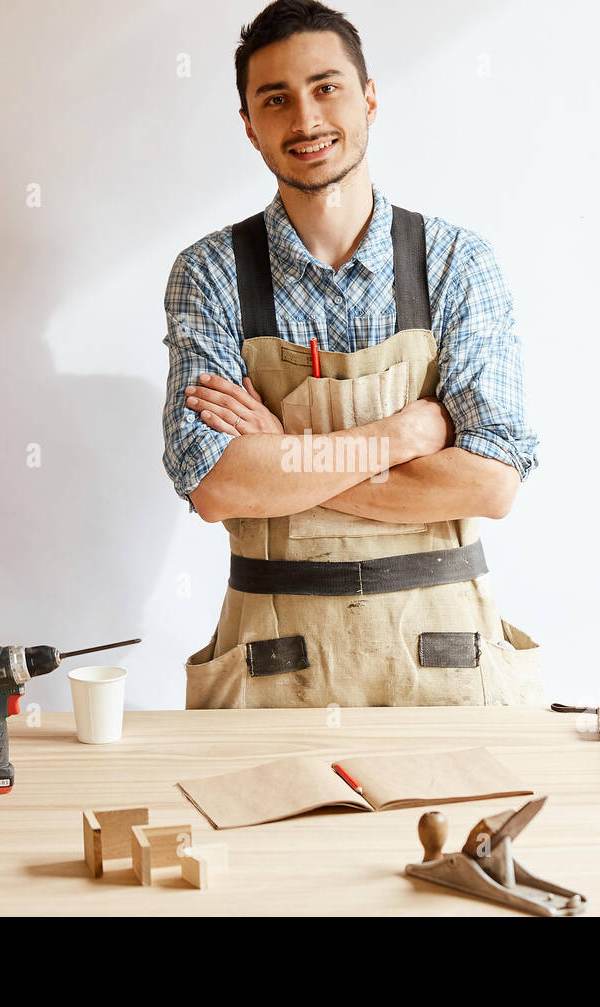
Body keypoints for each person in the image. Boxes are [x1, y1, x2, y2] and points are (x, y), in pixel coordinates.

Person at [161, 0, 541, 709]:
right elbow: (215, 485)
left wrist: (283, 453)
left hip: (448, 668)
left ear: (369, 99)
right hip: (271, 671)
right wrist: (398, 438)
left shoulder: (457, 263)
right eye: (276, 99)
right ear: (249, 126)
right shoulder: (210, 273)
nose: (304, 119)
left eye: (326, 87)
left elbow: (491, 484)